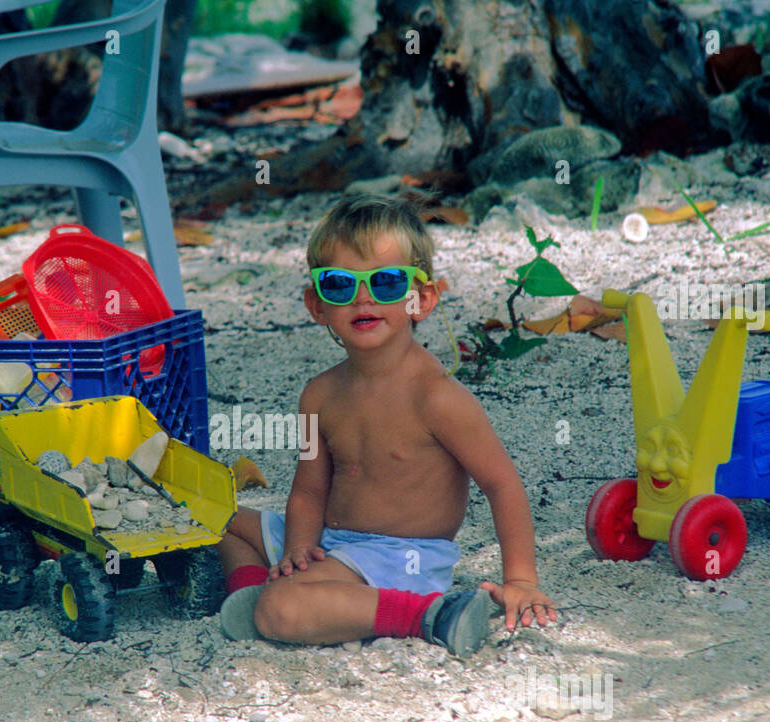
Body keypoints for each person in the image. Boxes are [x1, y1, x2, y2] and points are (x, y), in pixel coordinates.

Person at [215, 194, 557, 658]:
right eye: (339, 284)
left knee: (283, 610)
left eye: (387, 282)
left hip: (400, 558)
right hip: (330, 541)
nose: (363, 297)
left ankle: (430, 615)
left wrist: (520, 580)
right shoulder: (319, 394)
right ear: (317, 304)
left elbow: (502, 484)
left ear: (423, 298)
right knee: (224, 520)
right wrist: (297, 545)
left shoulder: (436, 398)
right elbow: (310, 492)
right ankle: (251, 594)